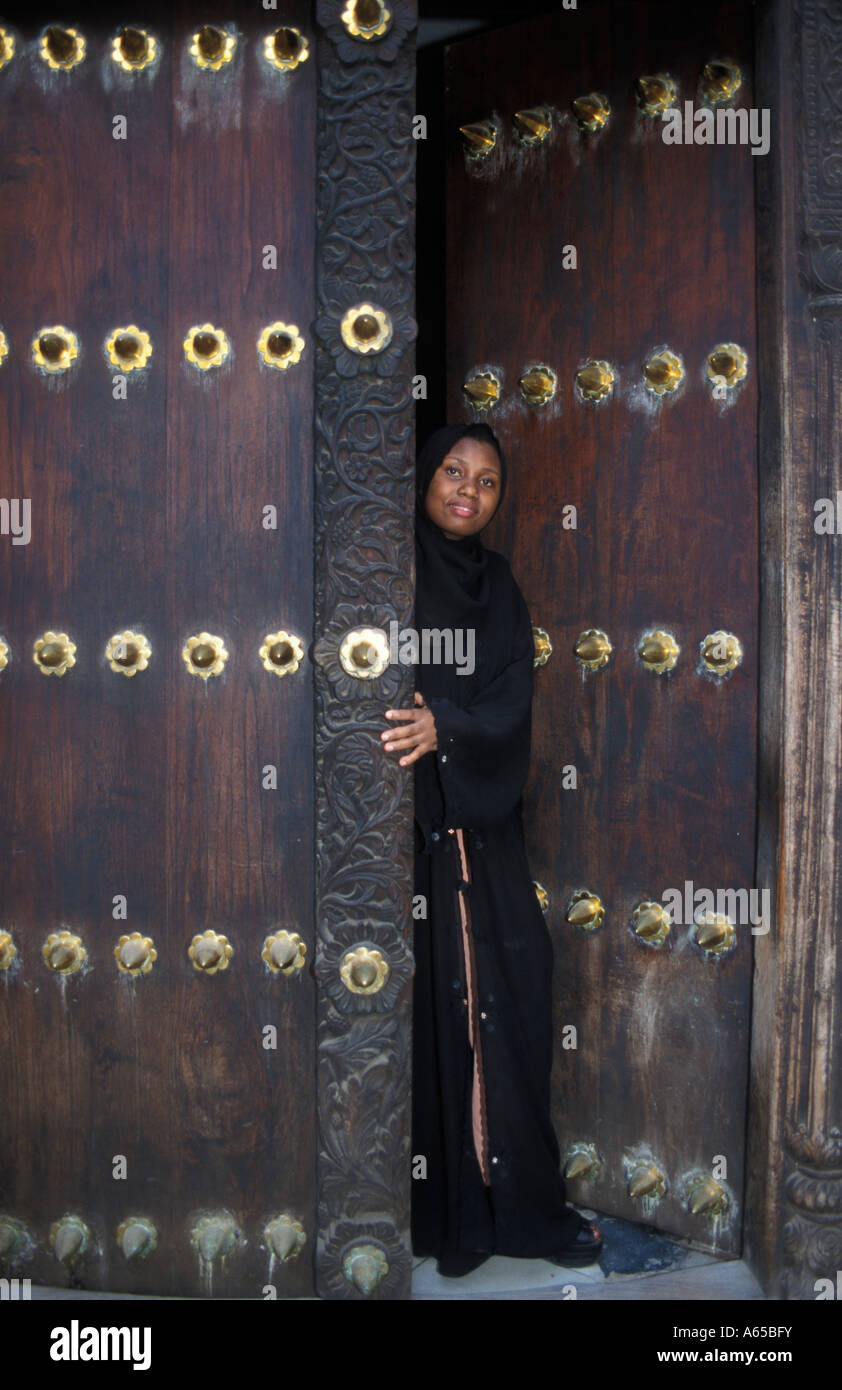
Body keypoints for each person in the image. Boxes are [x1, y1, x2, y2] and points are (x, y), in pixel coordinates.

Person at [379, 423, 604, 1278]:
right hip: (402, 837)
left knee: (512, 990)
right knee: (426, 1006)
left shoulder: (499, 587)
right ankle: (445, 1214)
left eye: (486, 482)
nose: (467, 490)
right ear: (424, 478)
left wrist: (452, 728)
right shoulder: (384, 564)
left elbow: (514, 700)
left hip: (483, 832)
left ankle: (507, 1203)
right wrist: (420, 738)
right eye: (452, 471)